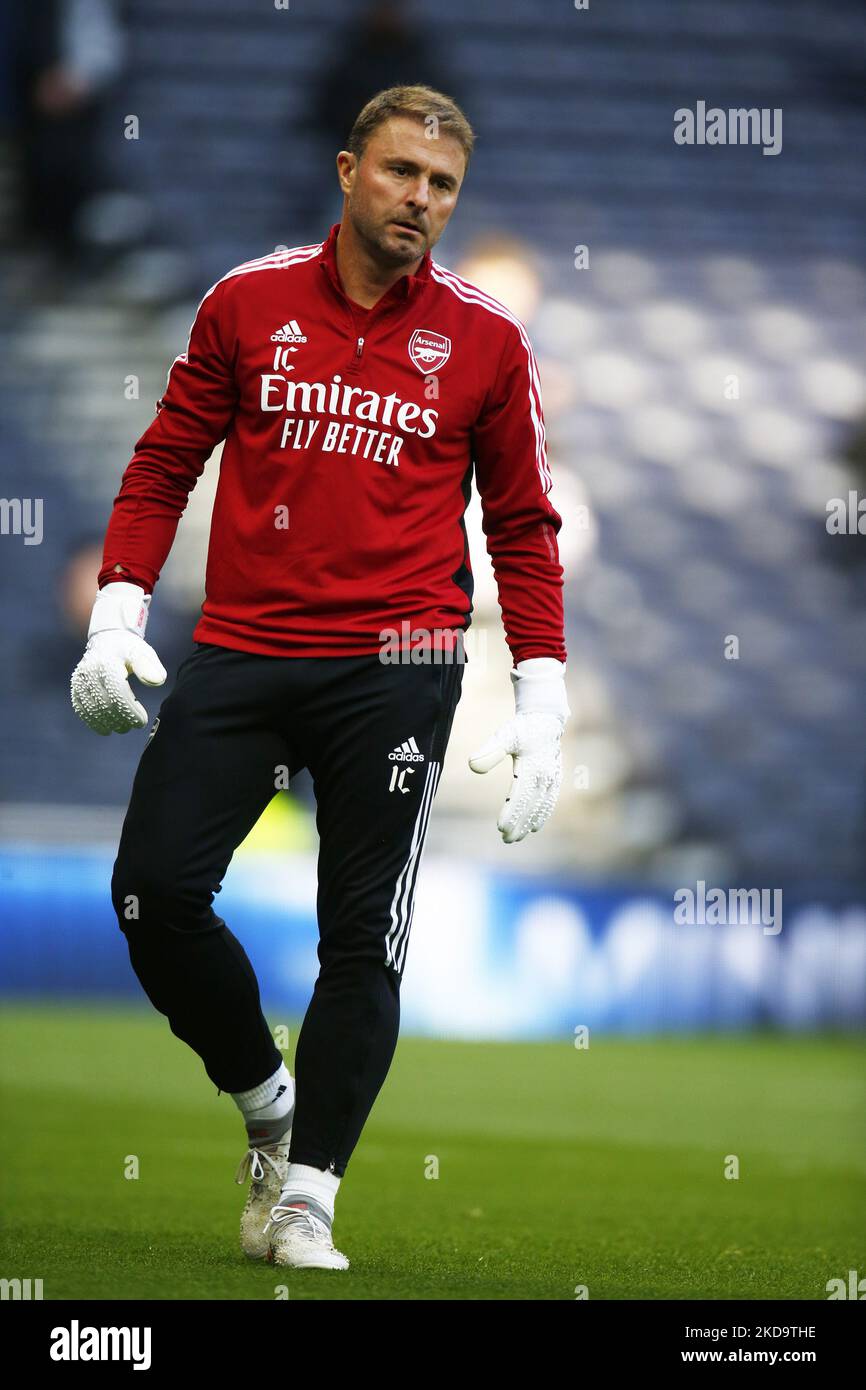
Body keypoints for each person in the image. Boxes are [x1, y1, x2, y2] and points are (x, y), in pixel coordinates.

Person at [70, 84, 569, 1272]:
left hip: (398, 663)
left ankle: (307, 1196)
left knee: (362, 938)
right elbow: (163, 461)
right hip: (243, 644)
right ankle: (262, 1098)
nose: (420, 201)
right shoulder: (244, 302)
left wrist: (541, 692)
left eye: (442, 185)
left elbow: (523, 524)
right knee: (149, 892)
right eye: (400, 173)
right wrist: (119, 609)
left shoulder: (488, 341)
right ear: (348, 171)